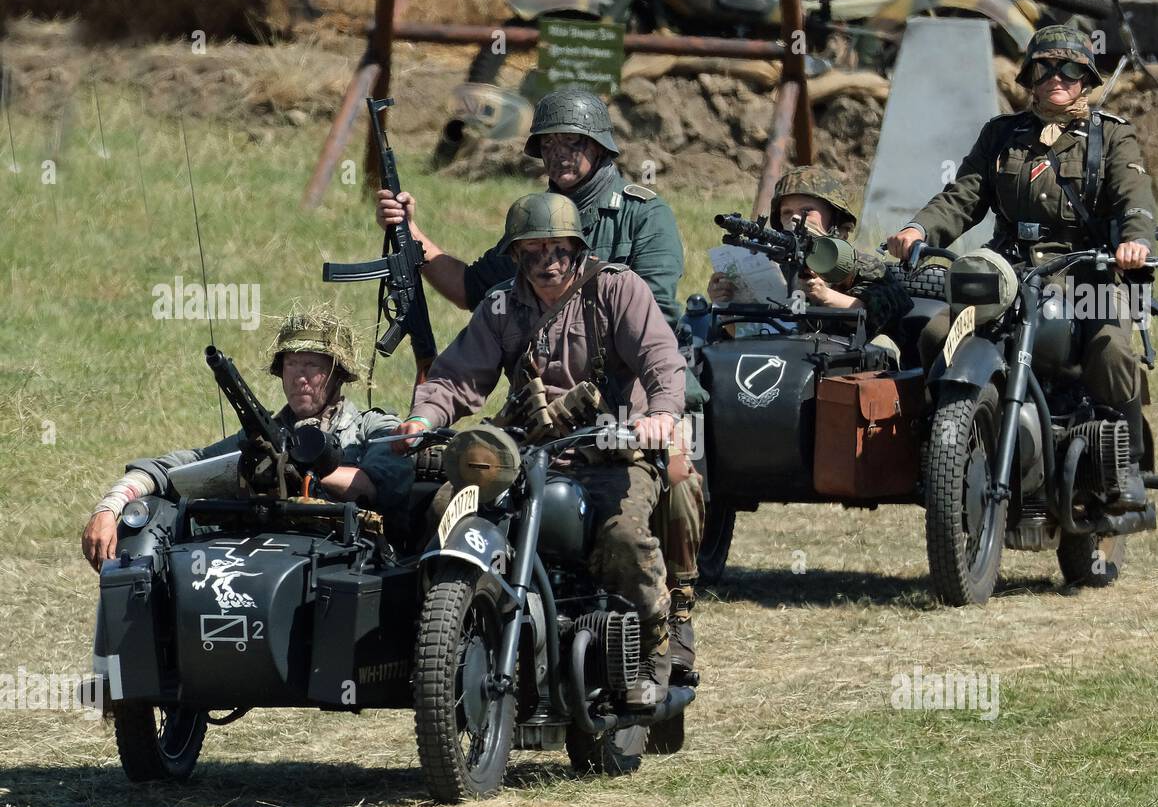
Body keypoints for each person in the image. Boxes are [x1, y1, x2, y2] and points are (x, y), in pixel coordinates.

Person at [379, 85, 704, 681]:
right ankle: (439, 634)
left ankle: (671, 621)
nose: (547, 262)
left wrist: (662, 412)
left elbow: (659, 336)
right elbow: (468, 332)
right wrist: (411, 234)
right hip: (536, 437)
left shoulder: (636, 226)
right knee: (443, 505)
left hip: (628, 413)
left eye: (572, 143)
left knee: (670, 485)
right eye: (548, 145)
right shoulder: (519, 262)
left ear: (599, 147)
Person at [886, 25, 1158, 510]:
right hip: (1007, 275)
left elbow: (1133, 199)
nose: (1058, 76)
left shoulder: (1112, 136)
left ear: (1086, 78)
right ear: (1030, 77)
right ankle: (943, 444)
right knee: (936, 334)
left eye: (1070, 68)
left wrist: (1134, 242)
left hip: (1084, 275)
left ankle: (1128, 462)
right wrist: (919, 230)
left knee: (1112, 349)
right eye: (1045, 67)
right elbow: (962, 196)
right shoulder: (1001, 135)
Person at [81, 308, 413, 571]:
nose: (300, 377)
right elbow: (177, 469)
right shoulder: (262, 440)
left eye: (312, 365)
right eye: (291, 364)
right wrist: (110, 507)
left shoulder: (372, 428)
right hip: (263, 565)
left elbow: (375, 487)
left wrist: (299, 467)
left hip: (352, 569)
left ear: (338, 374)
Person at [707, 166, 912, 350]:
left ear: (837, 224)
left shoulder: (861, 266)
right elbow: (748, 334)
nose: (795, 218)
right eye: (786, 212)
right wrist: (725, 304)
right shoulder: (771, 264)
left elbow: (885, 314)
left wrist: (825, 296)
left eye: (807, 211)